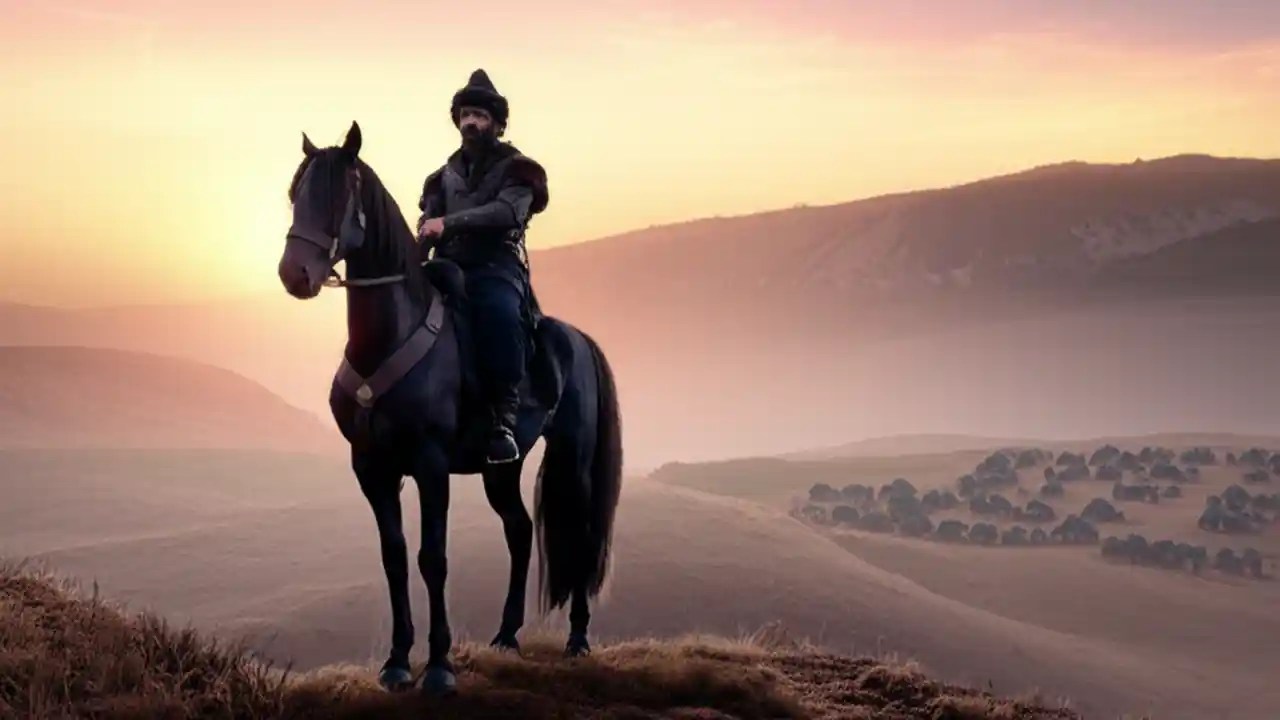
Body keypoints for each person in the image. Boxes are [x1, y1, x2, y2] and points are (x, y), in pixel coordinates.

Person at [416, 68, 549, 464]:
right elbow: (427, 225)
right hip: (447, 268)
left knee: (498, 313)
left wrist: (448, 224)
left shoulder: (520, 169)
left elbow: (506, 211)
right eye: (466, 115)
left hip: (496, 266)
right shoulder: (440, 179)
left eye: (481, 116)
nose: (471, 122)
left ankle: (503, 418)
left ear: (497, 123)